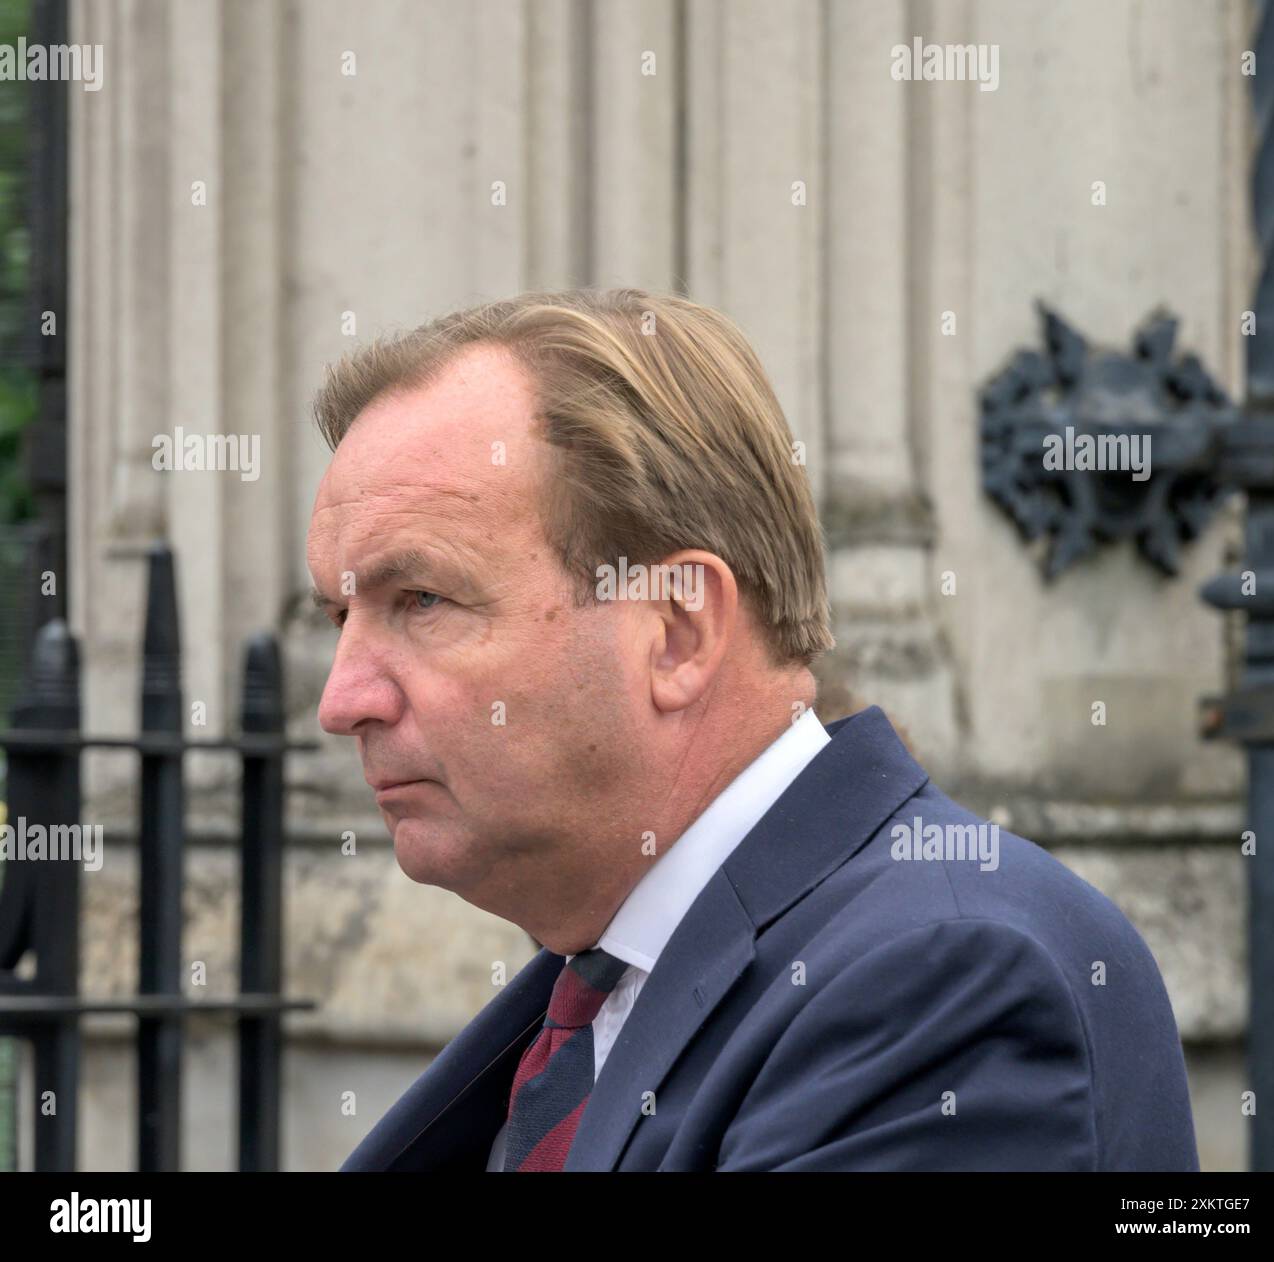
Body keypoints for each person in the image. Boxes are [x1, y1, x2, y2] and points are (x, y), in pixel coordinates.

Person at [306, 287, 1198, 1171]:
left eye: (420, 600)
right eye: (342, 616)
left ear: (677, 632)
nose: (342, 700)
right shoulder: (598, 989)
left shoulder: (943, 980)